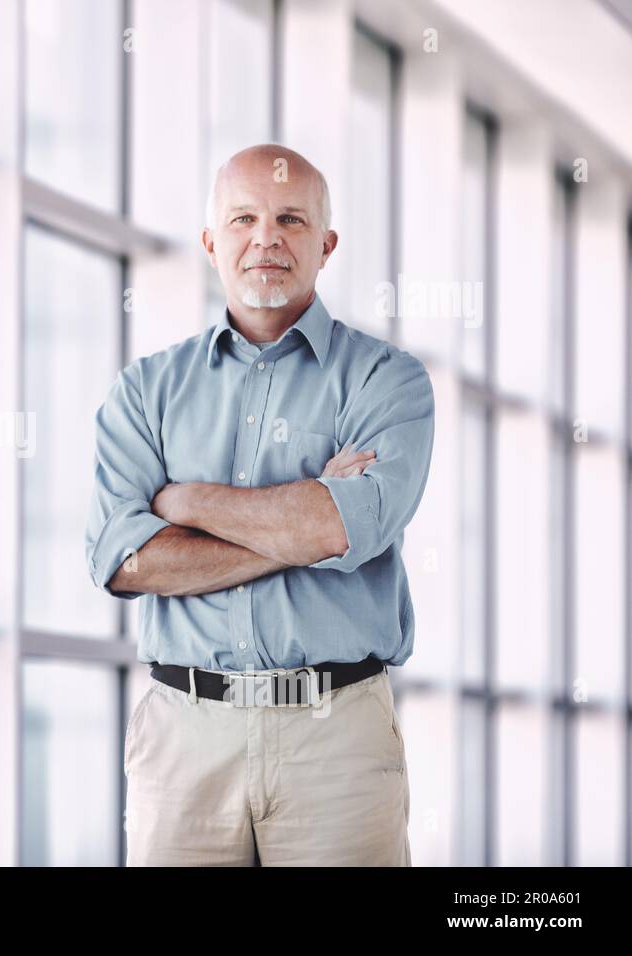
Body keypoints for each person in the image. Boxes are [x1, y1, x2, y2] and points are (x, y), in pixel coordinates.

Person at [85, 144, 435, 866]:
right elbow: (125, 560)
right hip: (184, 738)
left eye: (290, 219)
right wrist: (300, 521)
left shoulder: (386, 381)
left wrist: (186, 501)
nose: (266, 237)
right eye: (243, 218)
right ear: (213, 243)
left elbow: (344, 527)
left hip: (336, 738)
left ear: (326, 245)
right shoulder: (145, 391)